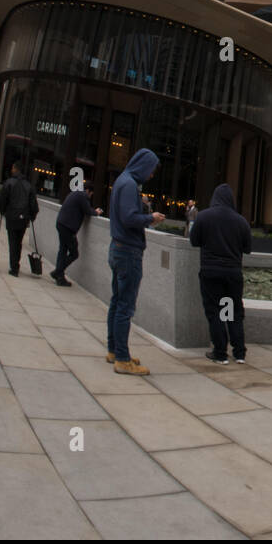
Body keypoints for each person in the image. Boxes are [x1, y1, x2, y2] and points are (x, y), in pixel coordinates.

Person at [106, 149, 165, 375]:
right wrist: (151, 218)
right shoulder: (130, 185)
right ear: (143, 166)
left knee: (116, 301)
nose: (151, 176)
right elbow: (130, 218)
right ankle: (122, 359)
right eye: (151, 171)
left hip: (117, 247)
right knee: (125, 307)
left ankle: (114, 350)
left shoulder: (122, 181)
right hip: (128, 251)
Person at [190, 184, 252, 364]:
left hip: (211, 272)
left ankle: (220, 352)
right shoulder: (241, 221)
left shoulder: (204, 216)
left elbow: (194, 241)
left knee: (214, 311)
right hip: (232, 274)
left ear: (214, 198)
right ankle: (239, 353)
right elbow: (247, 249)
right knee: (232, 312)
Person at [52, 184, 102, 287]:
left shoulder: (74, 193)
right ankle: (58, 271)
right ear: (88, 191)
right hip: (68, 228)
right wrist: (96, 212)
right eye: (91, 194)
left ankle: (59, 277)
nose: (90, 196)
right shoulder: (83, 196)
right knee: (74, 253)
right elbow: (88, 211)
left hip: (61, 223)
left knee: (63, 250)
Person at [0, 162, 39, 277]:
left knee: (13, 241)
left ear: (15, 169)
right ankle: (16, 264)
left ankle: (14, 267)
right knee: (18, 242)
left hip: (12, 216)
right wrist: (32, 216)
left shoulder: (9, 183)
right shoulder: (29, 186)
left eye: (12, 168)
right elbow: (33, 204)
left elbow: (3, 199)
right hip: (23, 218)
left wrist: (2, 210)